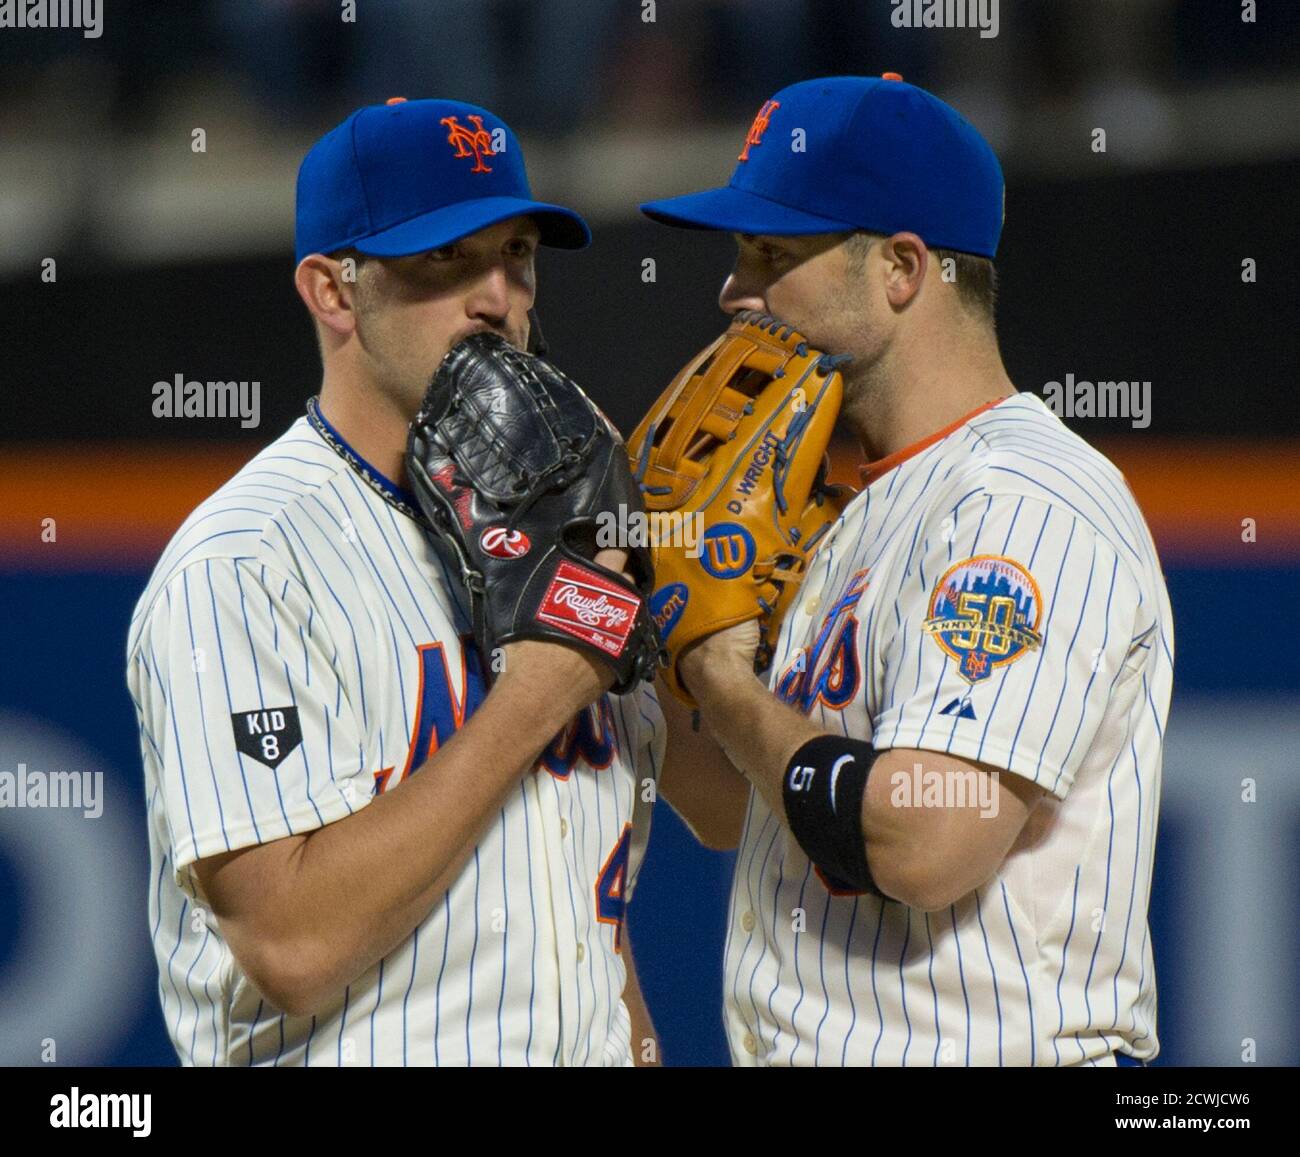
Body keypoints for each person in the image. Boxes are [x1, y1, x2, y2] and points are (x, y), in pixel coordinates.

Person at [641, 74, 1173, 1066]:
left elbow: (927, 841)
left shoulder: (1020, 502)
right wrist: (641, 638)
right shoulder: (851, 511)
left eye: (772, 252)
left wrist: (721, 678)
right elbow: (732, 806)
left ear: (898, 266)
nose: (732, 289)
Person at [126, 97, 664, 1067]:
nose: (496, 296)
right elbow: (290, 943)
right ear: (334, 291)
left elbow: (576, 899)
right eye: (446, 260)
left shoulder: (563, 519)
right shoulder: (247, 562)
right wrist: (535, 697)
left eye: (517, 256)